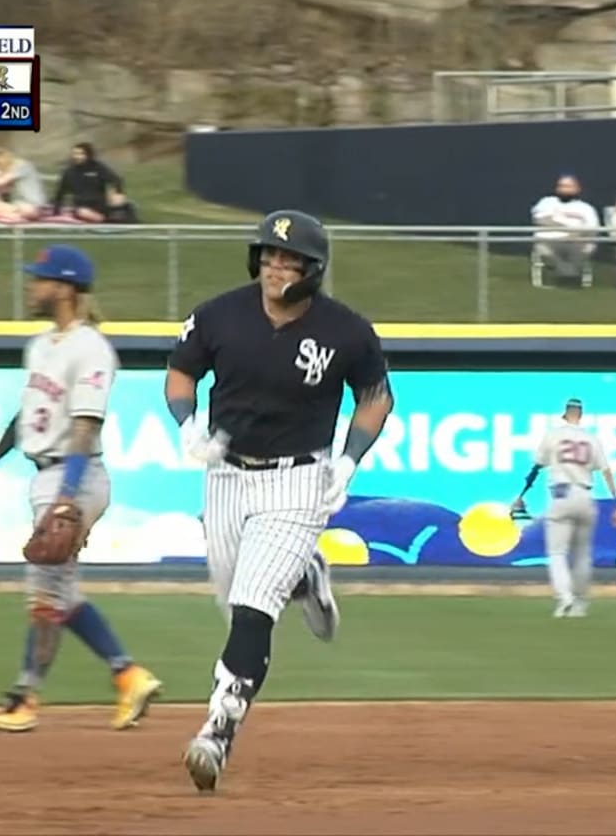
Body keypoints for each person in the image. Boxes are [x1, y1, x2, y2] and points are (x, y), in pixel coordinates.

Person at [164, 209, 394, 793]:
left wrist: (348, 461)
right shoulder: (219, 314)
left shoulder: (345, 330)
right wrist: (188, 424)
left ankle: (218, 729)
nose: (276, 266)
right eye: (270, 255)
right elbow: (180, 373)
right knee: (231, 592)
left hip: (298, 479)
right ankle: (305, 573)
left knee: (251, 605)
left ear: (313, 269)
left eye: (289, 259)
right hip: (226, 473)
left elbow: (375, 397)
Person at [0, 244, 164, 733]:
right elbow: (28, 414)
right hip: (45, 472)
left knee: (44, 594)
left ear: (66, 288)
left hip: (75, 475)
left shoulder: (91, 348)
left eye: (41, 278)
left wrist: (67, 496)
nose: (32, 285)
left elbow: (83, 425)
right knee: (60, 593)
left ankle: (26, 697)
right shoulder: (42, 345)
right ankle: (128, 674)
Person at [510, 398, 616, 618]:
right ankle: (580, 603)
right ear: (580, 414)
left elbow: (536, 468)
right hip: (585, 495)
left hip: (561, 496)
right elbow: (606, 471)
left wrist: (521, 495)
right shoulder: (591, 438)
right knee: (582, 554)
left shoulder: (553, 435)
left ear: (565, 413)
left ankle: (565, 598)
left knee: (557, 552)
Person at [530, 174, 600, 288]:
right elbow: (541, 219)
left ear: (577, 189)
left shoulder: (586, 208)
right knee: (544, 249)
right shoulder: (547, 202)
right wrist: (569, 227)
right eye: (562, 186)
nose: (565, 189)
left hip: (577, 240)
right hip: (550, 240)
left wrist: (574, 232)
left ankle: (565, 277)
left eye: (569, 186)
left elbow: (592, 227)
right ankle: (569, 276)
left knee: (584, 248)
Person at [51, 142, 137, 223]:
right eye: (75, 154)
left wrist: (117, 193)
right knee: (82, 212)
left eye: (81, 154)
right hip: (82, 207)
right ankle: (107, 220)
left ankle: (117, 217)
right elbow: (60, 193)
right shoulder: (69, 172)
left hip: (100, 205)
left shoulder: (98, 168)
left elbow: (116, 179)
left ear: (88, 155)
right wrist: (56, 210)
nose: (77, 156)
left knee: (122, 202)